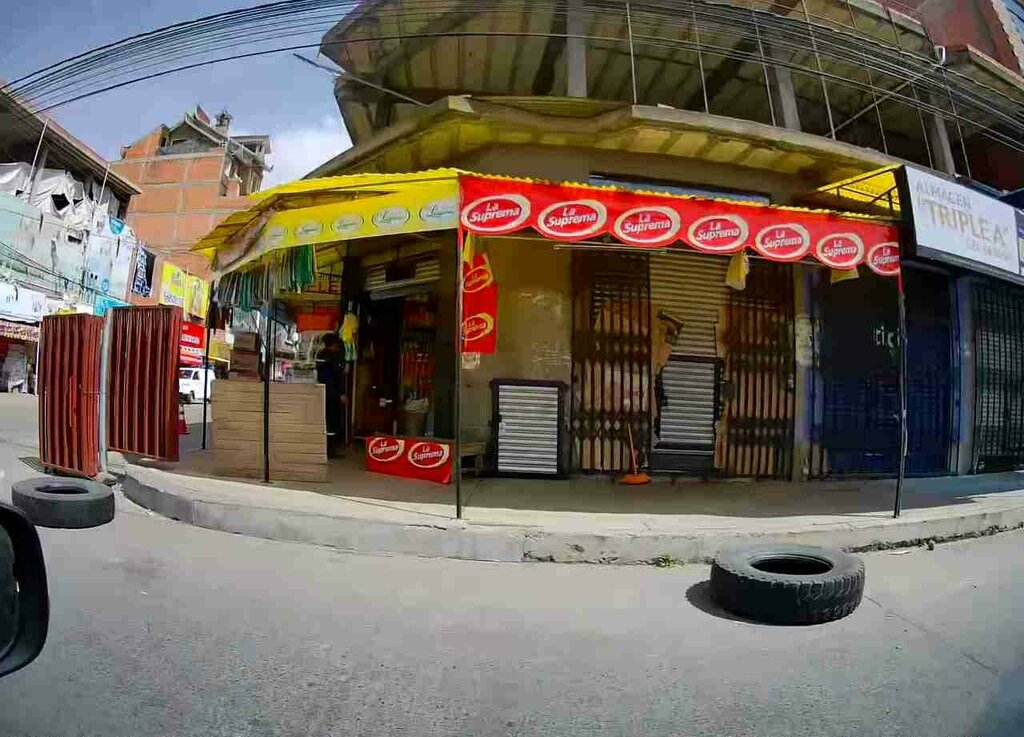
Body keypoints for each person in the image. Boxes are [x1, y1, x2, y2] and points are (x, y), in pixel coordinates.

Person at [316, 333, 347, 458]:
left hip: (328, 395)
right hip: (331, 397)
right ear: (333, 345)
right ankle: (329, 451)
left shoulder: (323, 356)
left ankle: (330, 450)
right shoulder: (330, 358)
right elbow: (328, 380)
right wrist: (338, 395)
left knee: (330, 423)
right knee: (331, 424)